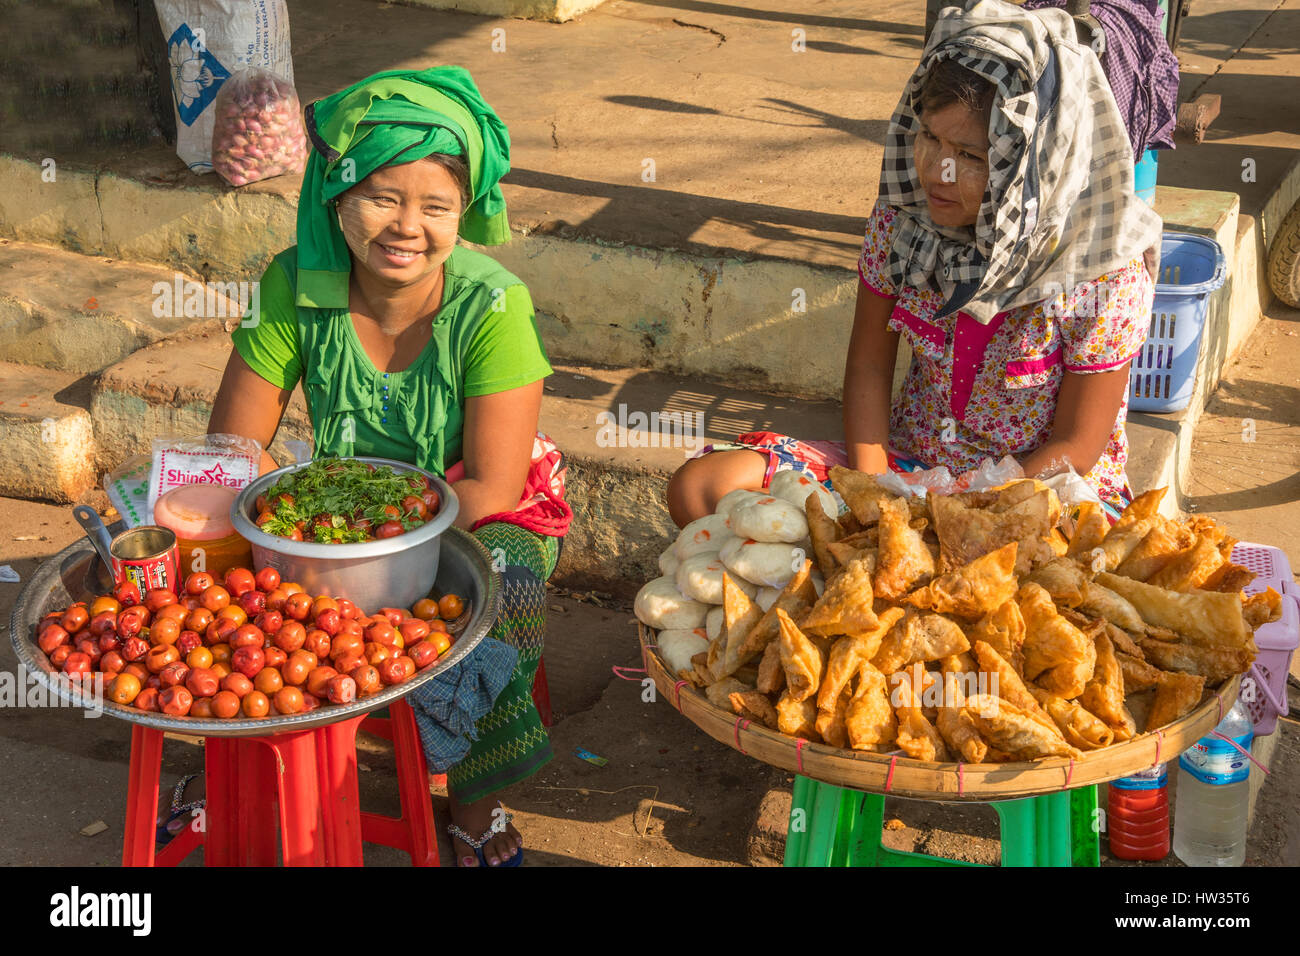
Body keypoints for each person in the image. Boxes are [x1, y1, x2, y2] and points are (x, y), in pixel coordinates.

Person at [207, 66, 571, 867]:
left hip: (477, 511)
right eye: (380, 198)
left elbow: (491, 486)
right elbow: (234, 448)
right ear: (337, 199)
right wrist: (300, 534)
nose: (407, 226)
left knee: (505, 571)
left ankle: (475, 801)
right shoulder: (296, 287)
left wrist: (357, 559)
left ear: (462, 213)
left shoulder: (494, 306)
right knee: (207, 533)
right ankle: (234, 761)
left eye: (436, 207)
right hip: (345, 506)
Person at [668, 0, 1162, 526]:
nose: (937, 171)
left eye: (972, 156)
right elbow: (869, 364)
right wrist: (875, 491)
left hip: (1037, 496)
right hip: (911, 470)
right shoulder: (903, 225)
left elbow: (1076, 446)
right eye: (929, 137)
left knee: (996, 589)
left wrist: (961, 513)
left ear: (1033, 164)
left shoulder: (1102, 271)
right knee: (701, 489)